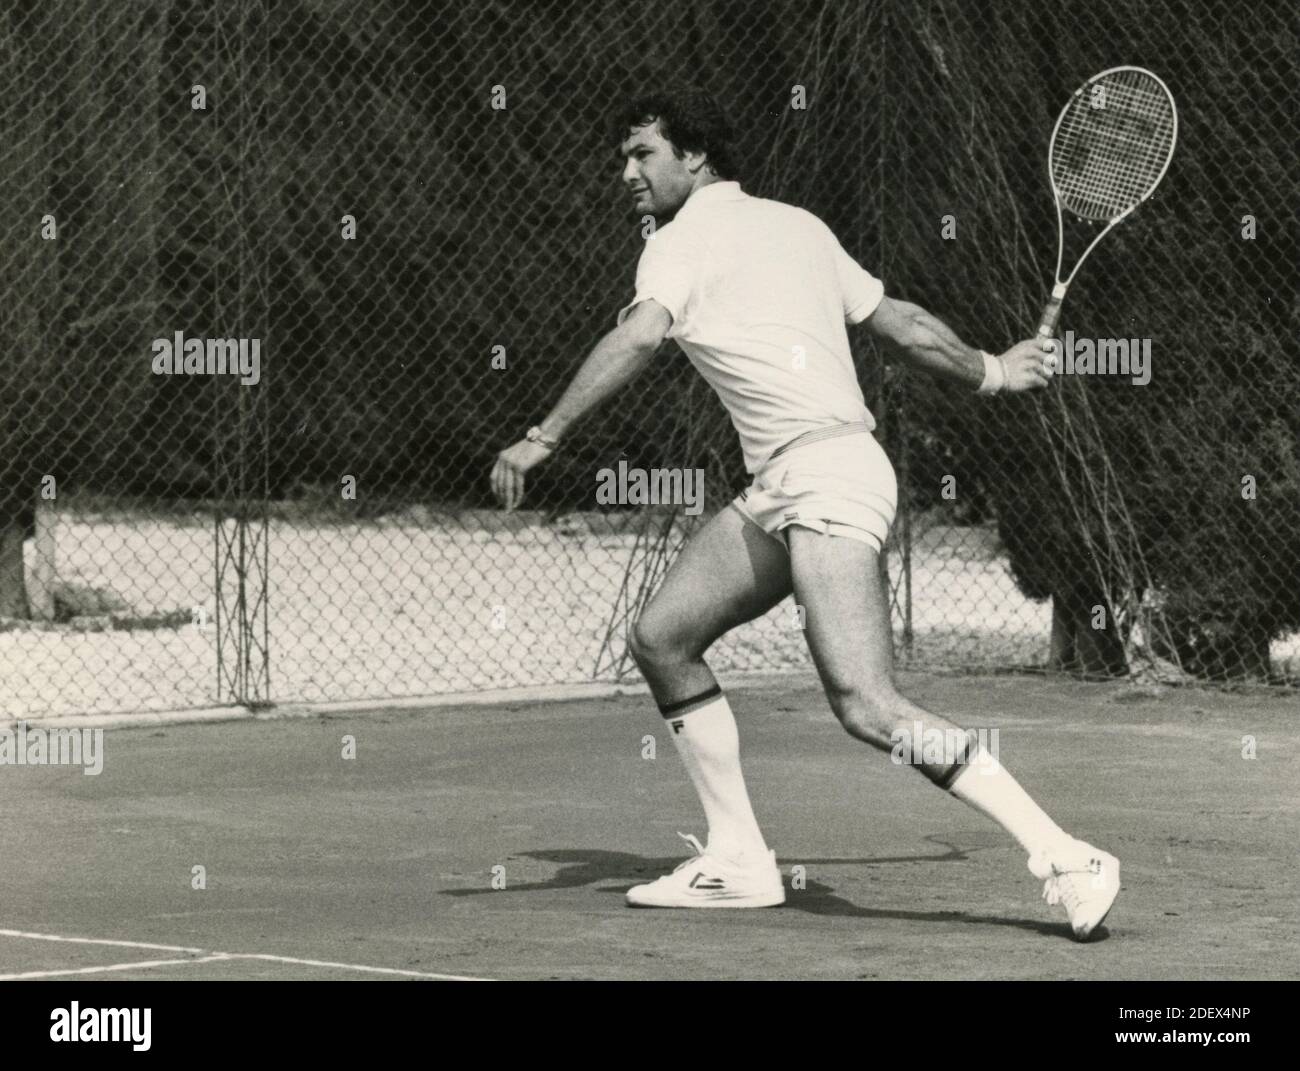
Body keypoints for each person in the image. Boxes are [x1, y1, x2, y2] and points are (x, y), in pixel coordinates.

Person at [490, 87, 1119, 940]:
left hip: (828, 475)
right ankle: (740, 859)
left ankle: (1065, 854)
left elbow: (639, 337)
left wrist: (544, 436)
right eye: (622, 158)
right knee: (663, 638)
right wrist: (996, 370)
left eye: (643, 155)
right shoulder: (800, 226)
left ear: (695, 157)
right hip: (788, 479)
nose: (626, 173)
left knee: (866, 704)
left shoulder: (677, 245)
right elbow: (896, 323)